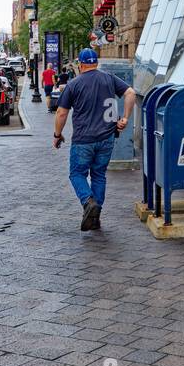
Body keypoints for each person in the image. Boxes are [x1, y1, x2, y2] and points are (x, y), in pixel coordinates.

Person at [53, 48, 136, 231]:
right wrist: (125, 118)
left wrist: (57, 135)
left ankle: (88, 201)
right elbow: (131, 93)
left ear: (81, 65)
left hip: (83, 139)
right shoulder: (109, 78)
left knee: (77, 174)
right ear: (96, 63)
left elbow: (61, 113)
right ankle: (95, 217)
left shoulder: (74, 84)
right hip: (107, 138)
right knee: (99, 175)